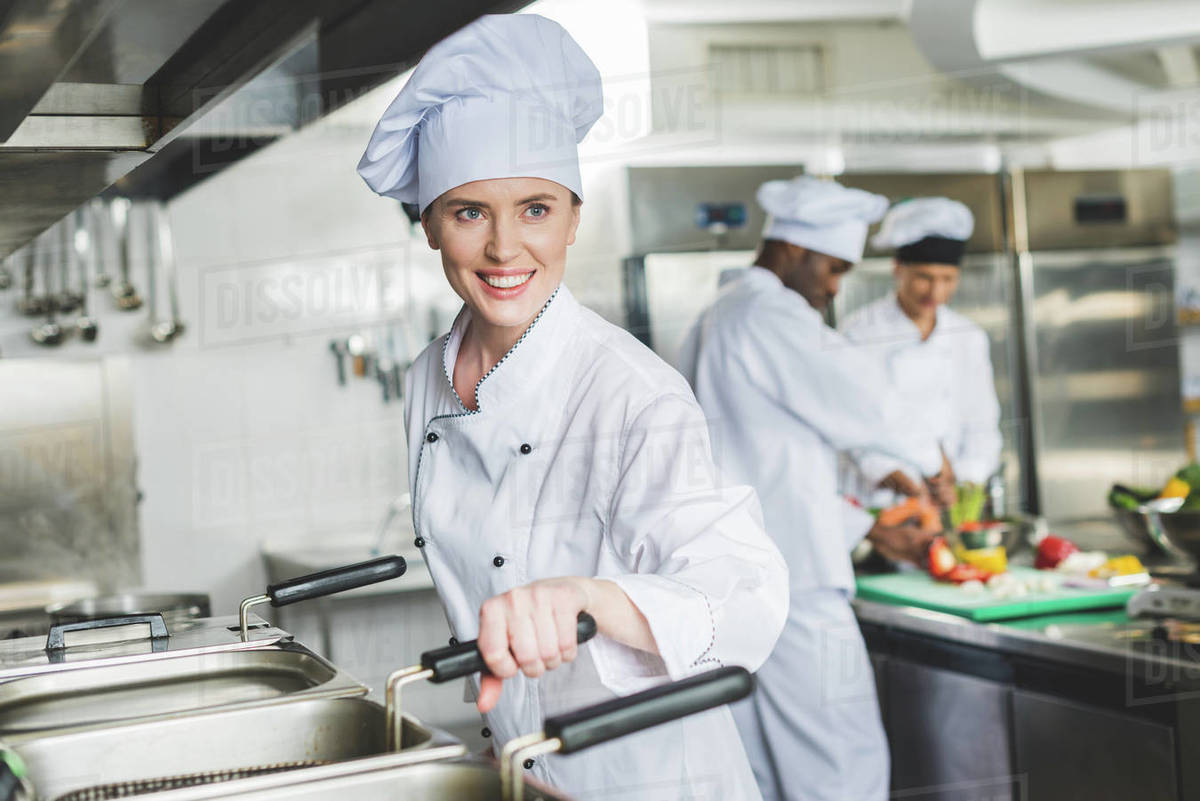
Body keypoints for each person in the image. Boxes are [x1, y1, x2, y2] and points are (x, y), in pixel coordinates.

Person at [357, 14, 788, 801]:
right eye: (467, 212)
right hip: (524, 763)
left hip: (650, 777)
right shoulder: (428, 377)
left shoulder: (630, 389)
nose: (503, 249)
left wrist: (588, 597)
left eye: (534, 209)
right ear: (428, 226)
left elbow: (746, 591)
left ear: (574, 218)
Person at [678, 176, 947, 801]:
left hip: (740, 580)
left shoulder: (721, 315)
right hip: (796, 584)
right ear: (793, 250)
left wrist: (880, 478)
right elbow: (862, 396)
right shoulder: (769, 313)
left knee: (763, 768)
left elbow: (771, 449)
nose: (832, 289)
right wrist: (930, 461)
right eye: (832, 269)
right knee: (840, 761)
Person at [841, 197, 1002, 509]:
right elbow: (851, 421)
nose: (935, 292)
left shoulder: (968, 336)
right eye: (924, 278)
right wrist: (891, 472)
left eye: (947, 280)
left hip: (950, 498)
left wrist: (966, 479)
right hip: (883, 498)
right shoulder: (860, 332)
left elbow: (982, 421)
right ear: (898, 269)